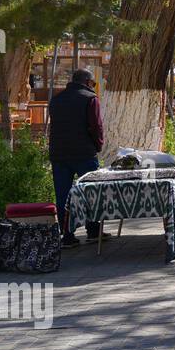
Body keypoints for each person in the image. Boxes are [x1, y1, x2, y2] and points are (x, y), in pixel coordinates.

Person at [49, 68, 104, 247]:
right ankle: (93, 231)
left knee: (63, 196)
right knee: (91, 192)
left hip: (59, 155)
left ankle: (67, 235)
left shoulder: (56, 100)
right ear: (87, 82)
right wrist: (98, 145)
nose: (93, 87)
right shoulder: (90, 99)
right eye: (93, 83)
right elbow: (96, 126)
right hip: (84, 154)